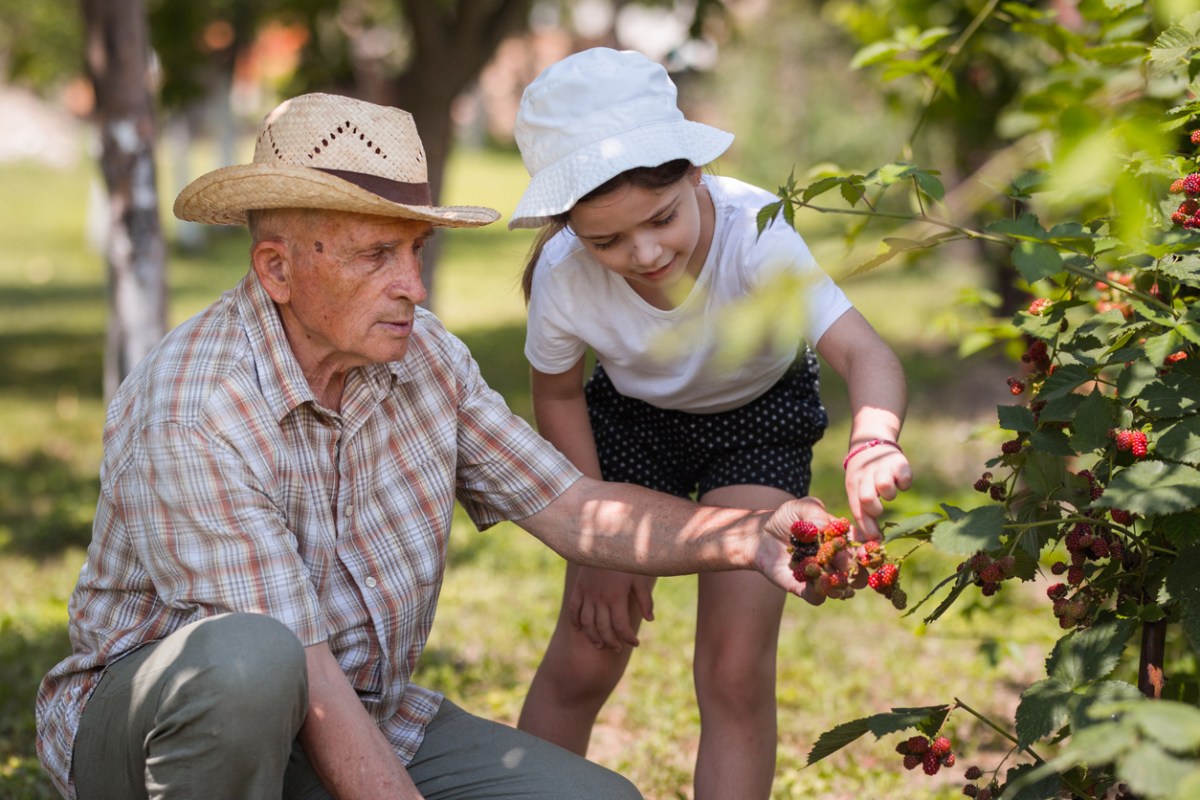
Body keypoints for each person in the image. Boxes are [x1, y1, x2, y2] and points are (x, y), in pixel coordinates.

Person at [34, 92, 844, 800]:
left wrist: (749, 537)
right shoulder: (196, 406)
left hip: (364, 719)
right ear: (276, 270)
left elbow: (574, 509)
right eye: (376, 256)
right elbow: (304, 677)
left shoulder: (422, 356)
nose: (414, 288)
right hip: (162, 751)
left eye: (416, 251)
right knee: (253, 659)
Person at [508, 48, 913, 799]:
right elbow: (559, 396)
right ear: (569, 228)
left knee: (733, 667)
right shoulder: (563, 276)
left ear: (695, 173)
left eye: (661, 218)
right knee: (586, 651)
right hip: (629, 425)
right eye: (608, 242)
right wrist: (593, 542)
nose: (646, 252)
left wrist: (872, 442)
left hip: (756, 424)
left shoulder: (753, 232)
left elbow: (865, 352)